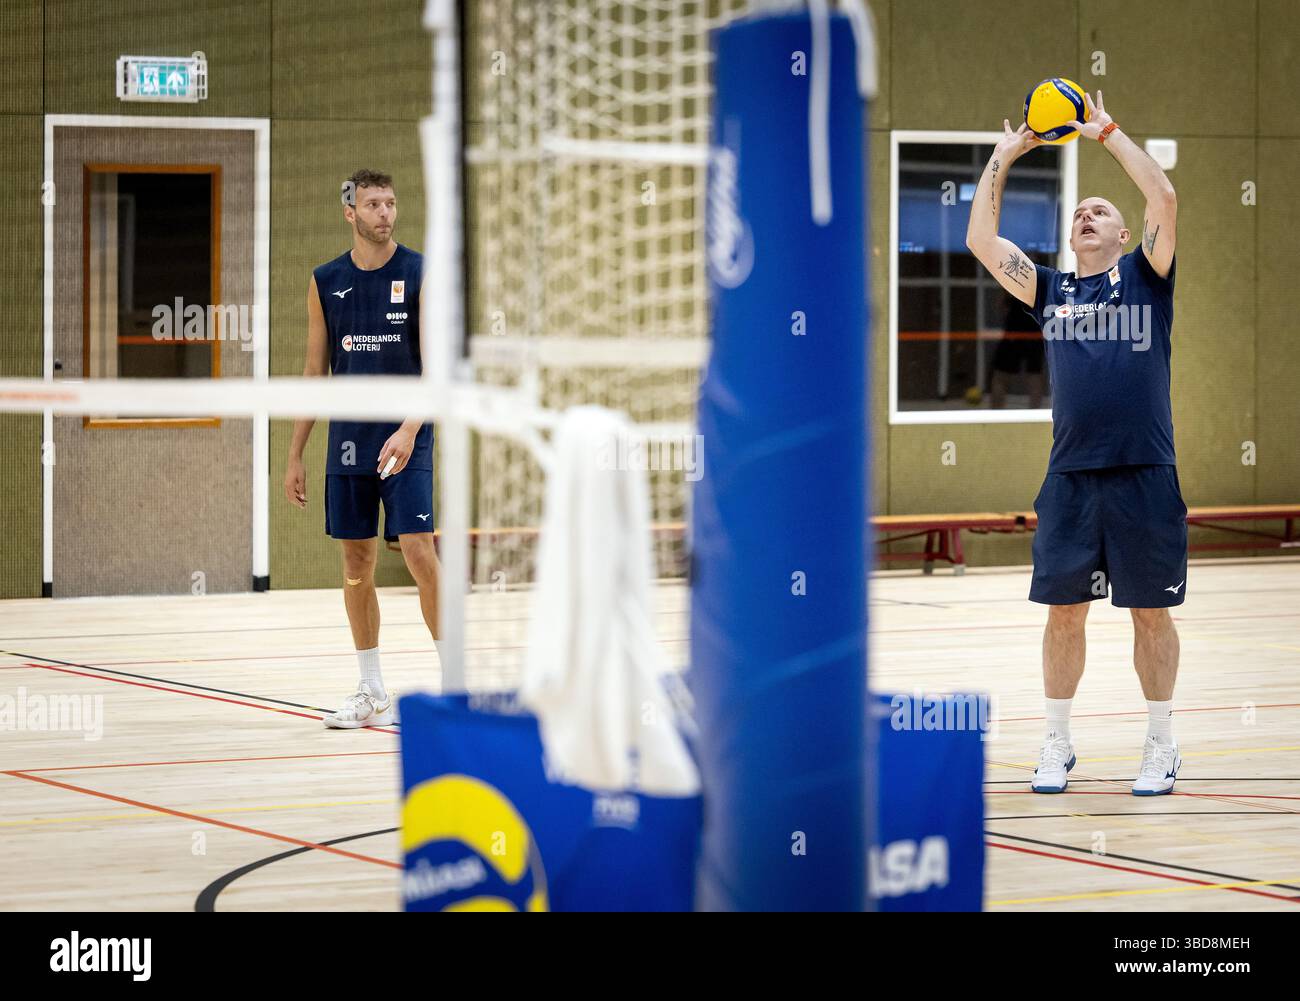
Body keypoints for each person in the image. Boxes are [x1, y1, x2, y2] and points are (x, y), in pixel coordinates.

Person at [965, 92, 1185, 795]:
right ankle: (1056, 741)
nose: (1087, 214)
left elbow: (1165, 195)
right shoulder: (1050, 289)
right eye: (1079, 212)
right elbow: (981, 241)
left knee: (1151, 613)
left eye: (1101, 211)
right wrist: (1005, 154)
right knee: (1065, 613)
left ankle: (1161, 744)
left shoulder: (1148, 278)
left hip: (1145, 471)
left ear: (1124, 235)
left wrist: (1106, 132)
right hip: (1070, 477)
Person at [283, 168, 442, 729]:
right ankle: (371, 690)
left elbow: (437, 367)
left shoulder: (421, 272)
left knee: (421, 552)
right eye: (373, 204)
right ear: (350, 212)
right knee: (356, 563)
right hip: (349, 442)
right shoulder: (325, 280)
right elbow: (314, 371)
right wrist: (297, 452)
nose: (385, 214)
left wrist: (409, 429)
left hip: (406, 435)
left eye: (391, 204)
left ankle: (455, 686)